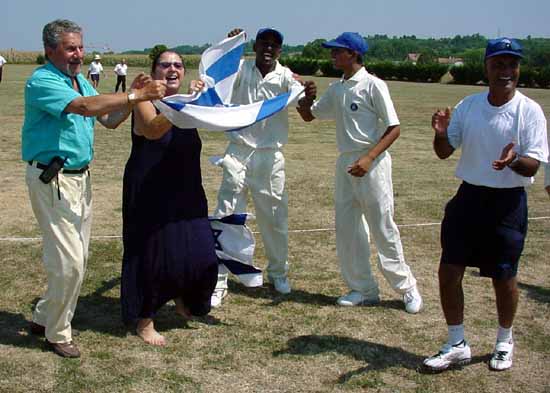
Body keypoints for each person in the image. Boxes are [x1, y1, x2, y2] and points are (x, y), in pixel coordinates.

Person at [22, 19, 166, 358]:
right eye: (71, 48)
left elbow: (108, 120)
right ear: (50, 50)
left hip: (80, 179)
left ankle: (44, 316)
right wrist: (135, 94)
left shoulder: (80, 79)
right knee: (69, 263)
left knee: (78, 258)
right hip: (52, 180)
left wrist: (131, 99)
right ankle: (58, 332)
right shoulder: (42, 80)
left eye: (80, 47)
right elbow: (84, 107)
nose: (78, 54)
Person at [423, 38, 548, 372]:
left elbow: (533, 165)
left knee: (504, 277)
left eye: (512, 64)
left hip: (507, 203)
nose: (506, 71)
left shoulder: (529, 110)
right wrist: (440, 133)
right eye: (498, 64)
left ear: (518, 68)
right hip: (469, 198)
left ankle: (504, 341)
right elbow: (444, 152)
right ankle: (456, 343)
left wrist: (512, 161)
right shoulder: (469, 105)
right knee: (449, 271)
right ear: (487, 67)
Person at [296, 32, 423, 314]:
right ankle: (363, 289)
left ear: (353, 54)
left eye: (337, 51)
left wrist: (368, 158)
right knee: (348, 228)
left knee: (382, 227)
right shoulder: (337, 88)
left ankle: (407, 287)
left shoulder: (373, 85)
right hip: (345, 163)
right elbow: (310, 116)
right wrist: (306, 99)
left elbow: (394, 128)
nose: (332, 55)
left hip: (372, 163)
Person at [210, 27, 316, 307]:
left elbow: (303, 106)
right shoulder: (240, 69)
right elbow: (218, 72)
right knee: (226, 216)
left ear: (280, 51)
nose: (268, 49)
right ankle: (219, 280)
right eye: (264, 43)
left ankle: (278, 273)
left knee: (274, 218)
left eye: (274, 45)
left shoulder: (286, 77)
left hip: (270, 156)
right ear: (255, 46)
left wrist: (308, 95)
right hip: (238, 151)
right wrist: (230, 42)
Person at [121, 50, 218, 346]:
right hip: (149, 188)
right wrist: (187, 104)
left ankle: (182, 296)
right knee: (151, 254)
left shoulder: (188, 104)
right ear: (154, 72)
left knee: (199, 251)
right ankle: (145, 319)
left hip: (187, 188)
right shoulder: (145, 101)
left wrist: (201, 99)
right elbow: (152, 130)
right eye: (165, 65)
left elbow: (224, 113)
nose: (172, 69)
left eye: (178, 65)